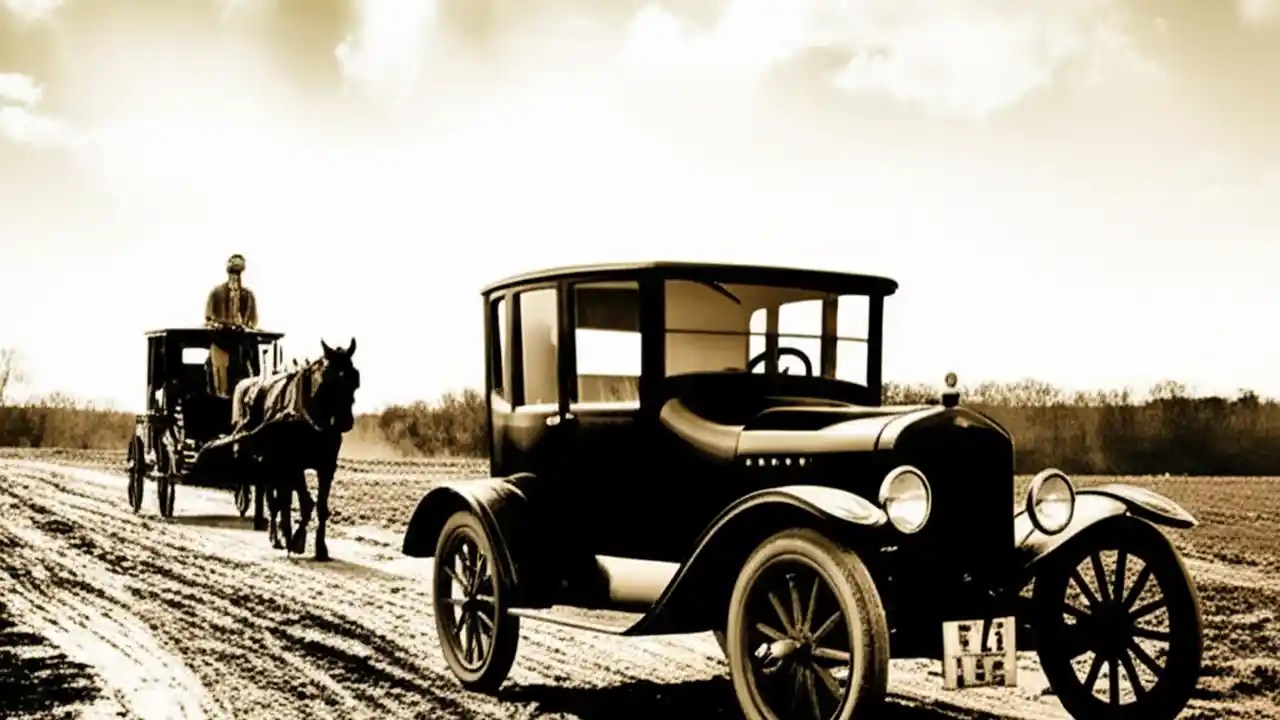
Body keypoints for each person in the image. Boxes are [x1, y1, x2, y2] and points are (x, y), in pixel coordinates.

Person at [205, 254, 259, 397]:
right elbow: (208, 319)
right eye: (233, 273)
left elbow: (253, 322)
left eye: (238, 273)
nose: (235, 277)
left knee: (252, 375)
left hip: (242, 345)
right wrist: (218, 325)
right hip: (221, 342)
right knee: (221, 377)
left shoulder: (248, 296)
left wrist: (245, 326)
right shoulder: (216, 293)